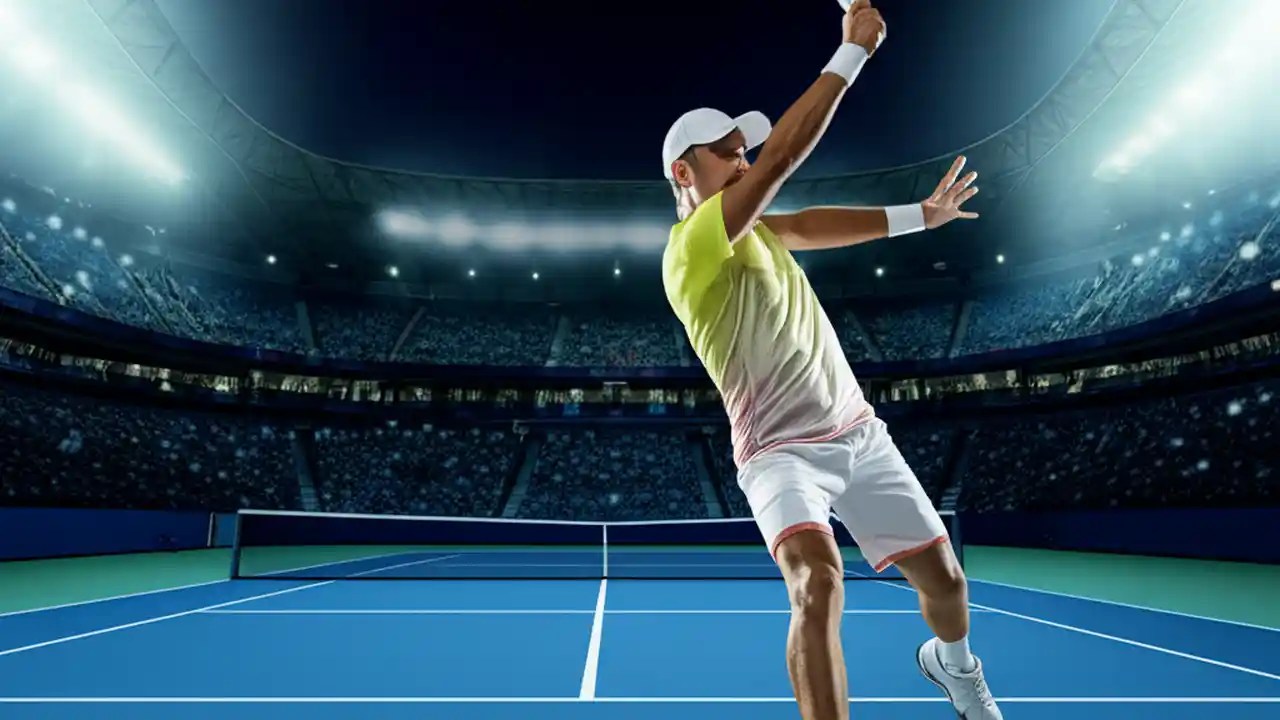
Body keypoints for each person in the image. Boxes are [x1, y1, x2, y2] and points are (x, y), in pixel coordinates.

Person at [659, 2, 1000, 718]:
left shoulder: (758, 234)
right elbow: (783, 158)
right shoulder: (692, 247)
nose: (744, 156)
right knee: (816, 581)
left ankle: (954, 665)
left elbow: (812, 222)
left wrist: (920, 217)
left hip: (859, 433)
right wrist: (852, 54)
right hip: (779, 453)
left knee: (946, 584)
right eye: (728, 150)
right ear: (683, 170)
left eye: (742, 148)